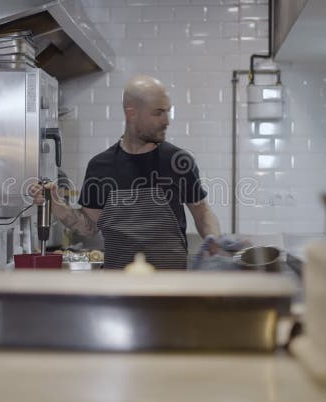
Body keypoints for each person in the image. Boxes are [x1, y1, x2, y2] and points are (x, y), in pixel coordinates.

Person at [30, 75, 221, 269]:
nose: (166, 121)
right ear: (132, 113)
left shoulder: (178, 162)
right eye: (158, 113)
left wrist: (213, 239)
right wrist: (56, 205)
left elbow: (202, 212)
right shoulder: (101, 166)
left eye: (167, 112)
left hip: (169, 288)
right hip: (118, 287)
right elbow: (89, 227)